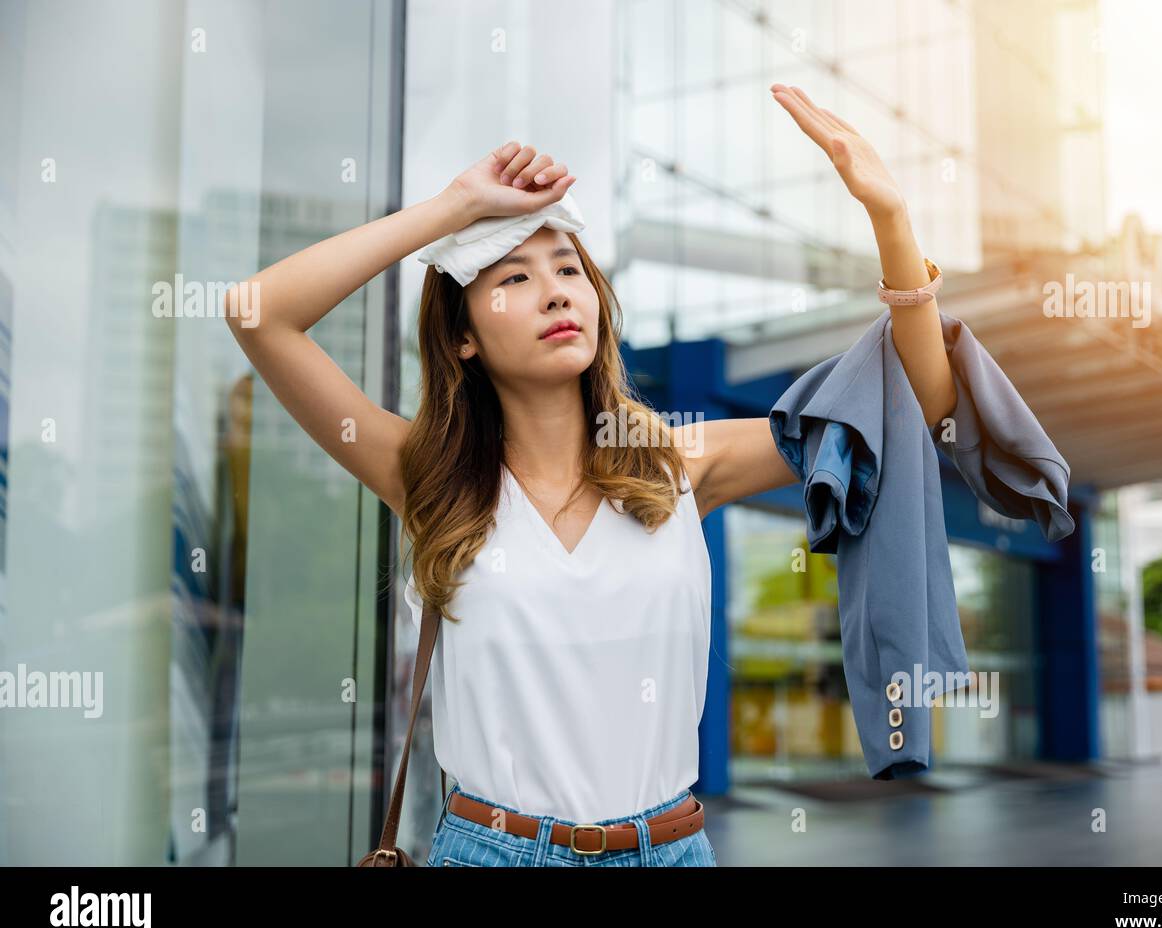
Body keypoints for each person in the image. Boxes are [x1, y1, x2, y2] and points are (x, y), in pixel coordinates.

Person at [223, 83, 957, 867]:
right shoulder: (431, 479)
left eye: (567, 268)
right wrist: (452, 208)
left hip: (669, 849)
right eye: (512, 278)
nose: (554, 292)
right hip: (492, 853)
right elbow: (257, 311)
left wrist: (890, 218)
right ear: (463, 338)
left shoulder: (679, 465)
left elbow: (910, 407)